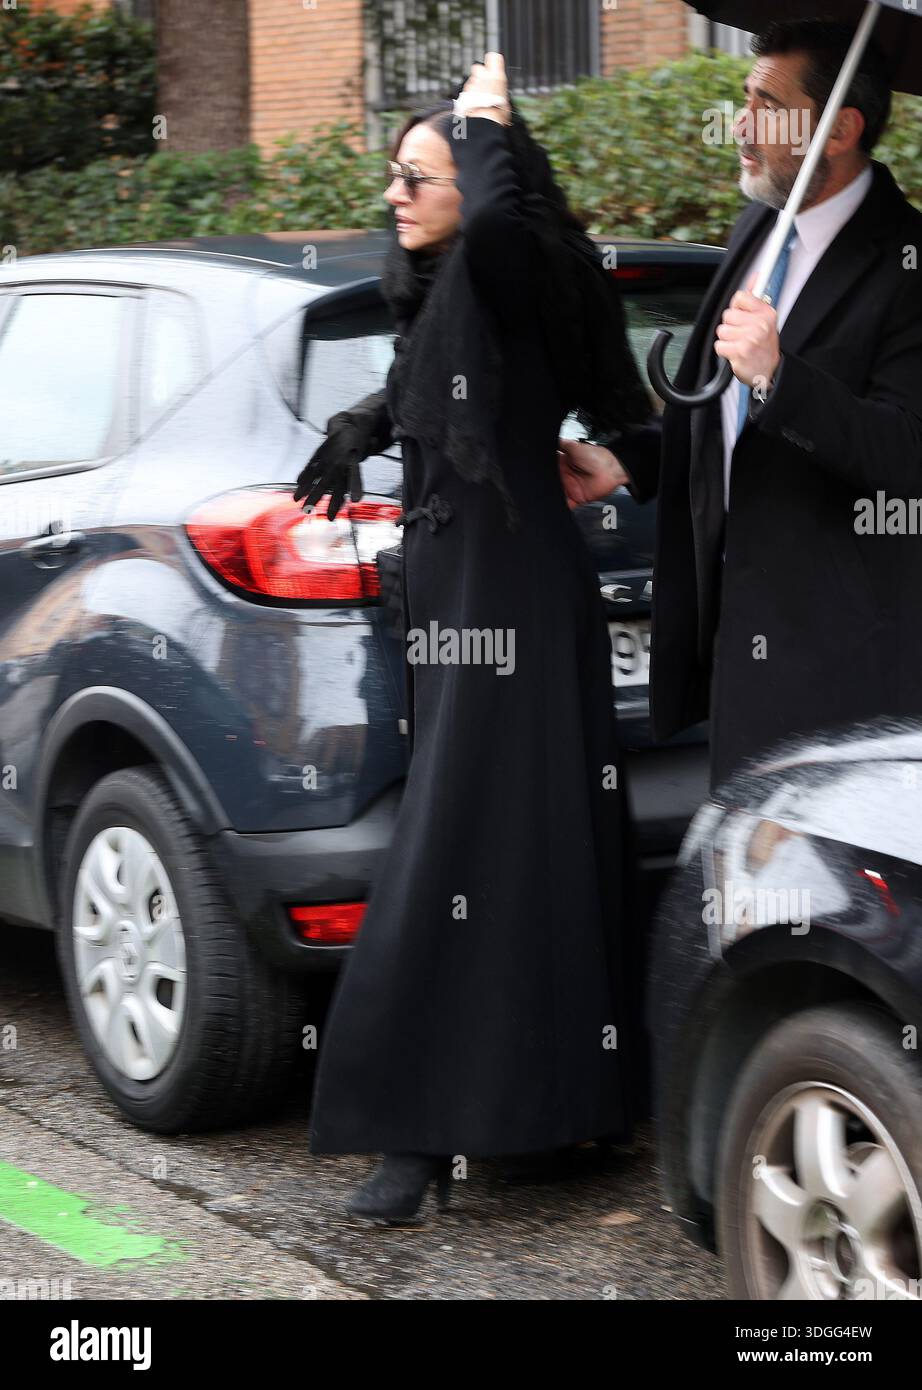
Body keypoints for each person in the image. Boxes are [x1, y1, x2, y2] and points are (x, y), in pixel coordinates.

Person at [294, 53, 650, 1225]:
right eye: (392, 175)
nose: (394, 196)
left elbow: (505, 229)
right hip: (452, 599)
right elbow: (426, 386)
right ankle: (546, 1112)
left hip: (513, 602)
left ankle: (414, 1134)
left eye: (418, 175)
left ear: (480, 181)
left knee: (457, 852)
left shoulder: (514, 266)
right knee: (510, 854)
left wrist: (489, 120)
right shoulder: (447, 286)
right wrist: (359, 422)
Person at [560, 20, 922, 789]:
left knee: (824, 904)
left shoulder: (907, 265)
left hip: (849, 670)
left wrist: (781, 378)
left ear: (841, 129)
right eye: (741, 98)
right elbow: (714, 410)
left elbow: (905, 455)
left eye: (766, 104)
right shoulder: (758, 225)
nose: (742, 124)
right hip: (742, 648)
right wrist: (626, 460)